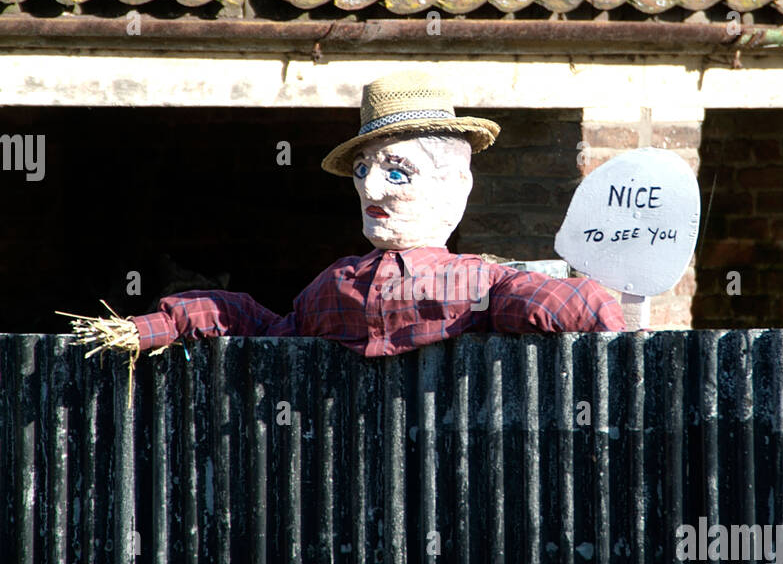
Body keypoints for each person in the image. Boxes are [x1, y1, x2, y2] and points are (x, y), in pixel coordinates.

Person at [59, 68, 624, 358]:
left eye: (396, 171)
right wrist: (162, 324)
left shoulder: (483, 283)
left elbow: (554, 304)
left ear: (455, 185)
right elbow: (264, 328)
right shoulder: (332, 287)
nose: (370, 186)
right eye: (362, 171)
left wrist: (601, 316)